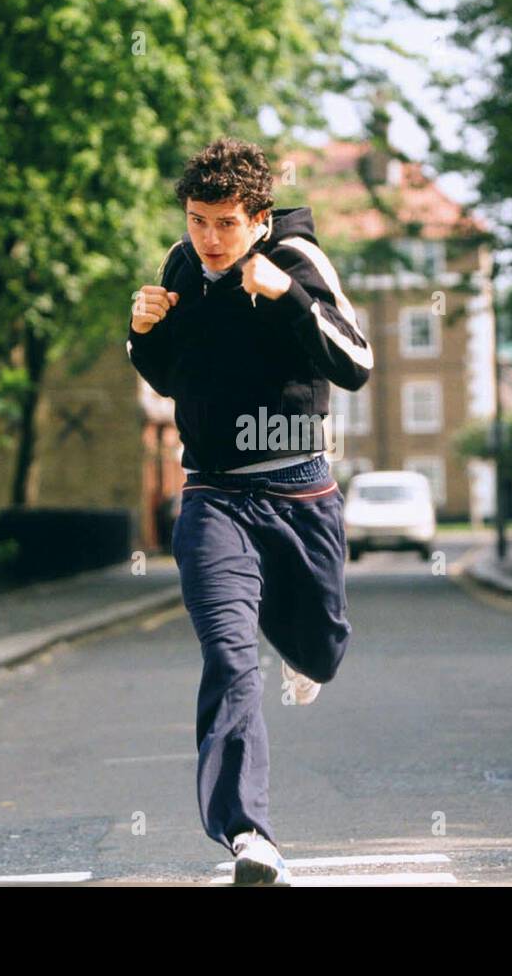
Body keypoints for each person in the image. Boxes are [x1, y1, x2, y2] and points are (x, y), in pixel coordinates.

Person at [126, 137, 373, 885]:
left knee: (319, 647)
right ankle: (248, 835)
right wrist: (141, 337)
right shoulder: (181, 267)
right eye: (197, 220)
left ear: (259, 219)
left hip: (300, 492)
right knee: (230, 660)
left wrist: (287, 298)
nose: (208, 239)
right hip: (213, 495)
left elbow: (356, 364)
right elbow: (172, 378)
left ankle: (307, 651)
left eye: (225, 223)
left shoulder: (299, 262)